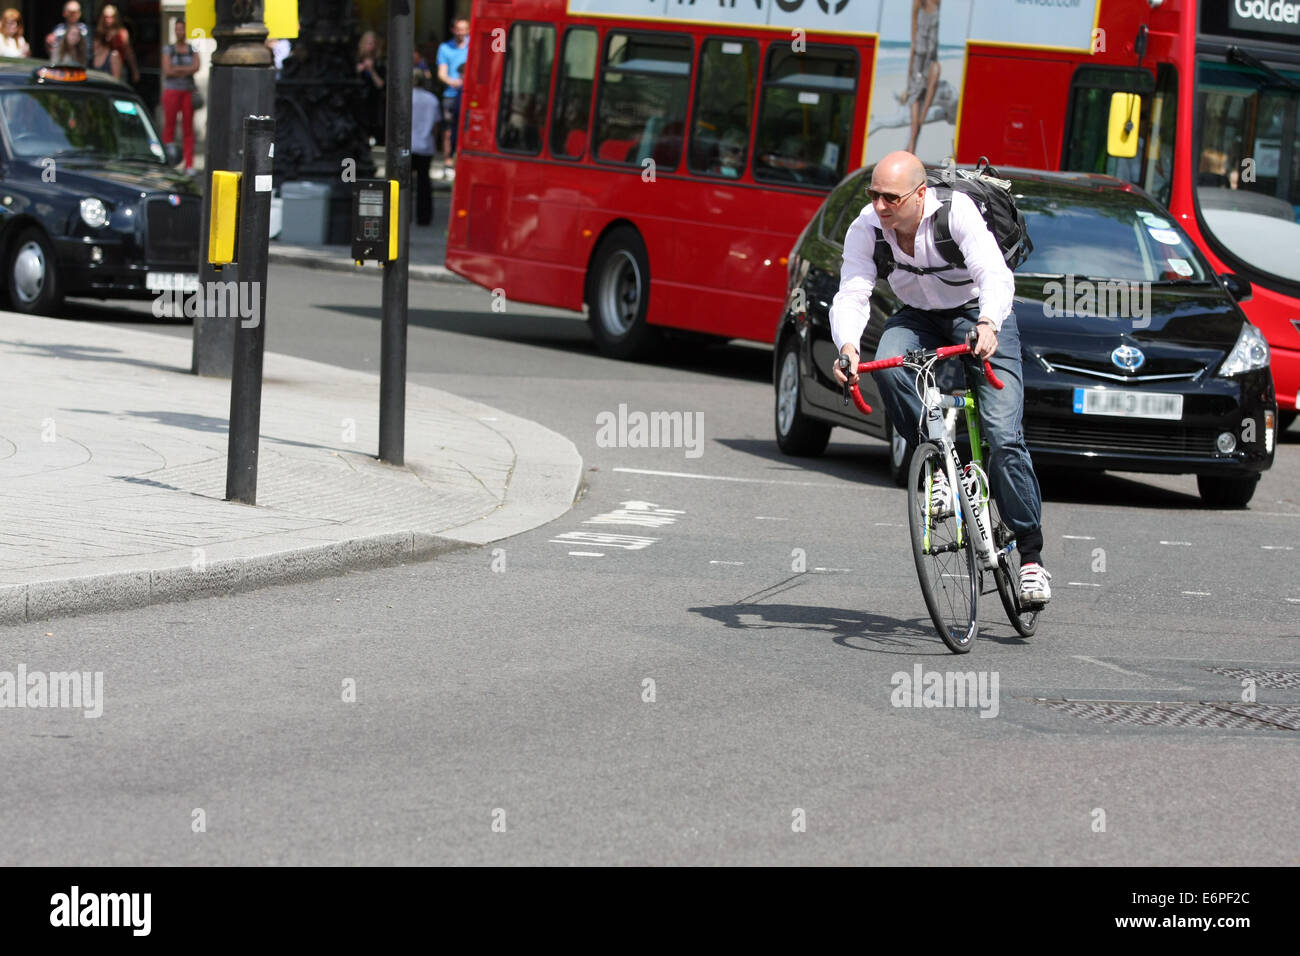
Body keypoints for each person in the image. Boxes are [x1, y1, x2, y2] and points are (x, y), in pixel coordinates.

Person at [831, 150, 1051, 606]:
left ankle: (1031, 559)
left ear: (920, 194)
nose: (880, 206)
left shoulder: (955, 213)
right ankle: (936, 466)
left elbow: (994, 272)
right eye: (874, 195)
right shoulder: (868, 227)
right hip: (918, 316)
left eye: (891, 198)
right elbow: (853, 289)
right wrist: (848, 348)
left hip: (978, 312)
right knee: (889, 364)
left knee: (1003, 437)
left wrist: (989, 324)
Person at [160, 18, 200, 175]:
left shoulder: (192, 48)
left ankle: (189, 163)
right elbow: (167, 70)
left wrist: (177, 69)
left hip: (187, 91)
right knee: (169, 127)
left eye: (182, 29)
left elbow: (196, 67)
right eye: (177, 29)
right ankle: (167, 161)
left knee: (188, 128)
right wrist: (186, 70)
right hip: (172, 91)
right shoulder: (168, 49)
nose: (180, 32)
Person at [903, 0, 941, 155]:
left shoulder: (938, 3)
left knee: (931, 86)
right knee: (916, 96)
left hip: (931, 56)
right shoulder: (919, 3)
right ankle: (912, 145)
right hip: (920, 55)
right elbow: (914, 35)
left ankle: (913, 138)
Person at [436, 18, 469, 175]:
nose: (461, 32)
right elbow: (442, 73)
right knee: (448, 130)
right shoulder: (445, 48)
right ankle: (448, 161)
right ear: (453, 30)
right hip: (451, 93)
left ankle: (461, 161)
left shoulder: (473, 44)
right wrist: (453, 81)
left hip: (468, 93)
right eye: (458, 29)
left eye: (464, 29)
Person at [411, 69, 441, 227]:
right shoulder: (432, 100)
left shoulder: (405, 98)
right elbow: (436, 126)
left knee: (404, 184)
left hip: (408, 145)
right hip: (425, 145)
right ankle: (424, 217)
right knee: (424, 183)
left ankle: (404, 215)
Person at [94, 5, 138, 84]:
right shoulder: (99, 33)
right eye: (106, 17)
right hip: (102, 67)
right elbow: (95, 51)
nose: (109, 20)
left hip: (119, 68)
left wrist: (135, 71)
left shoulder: (122, 33)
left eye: (112, 17)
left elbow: (129, 52)